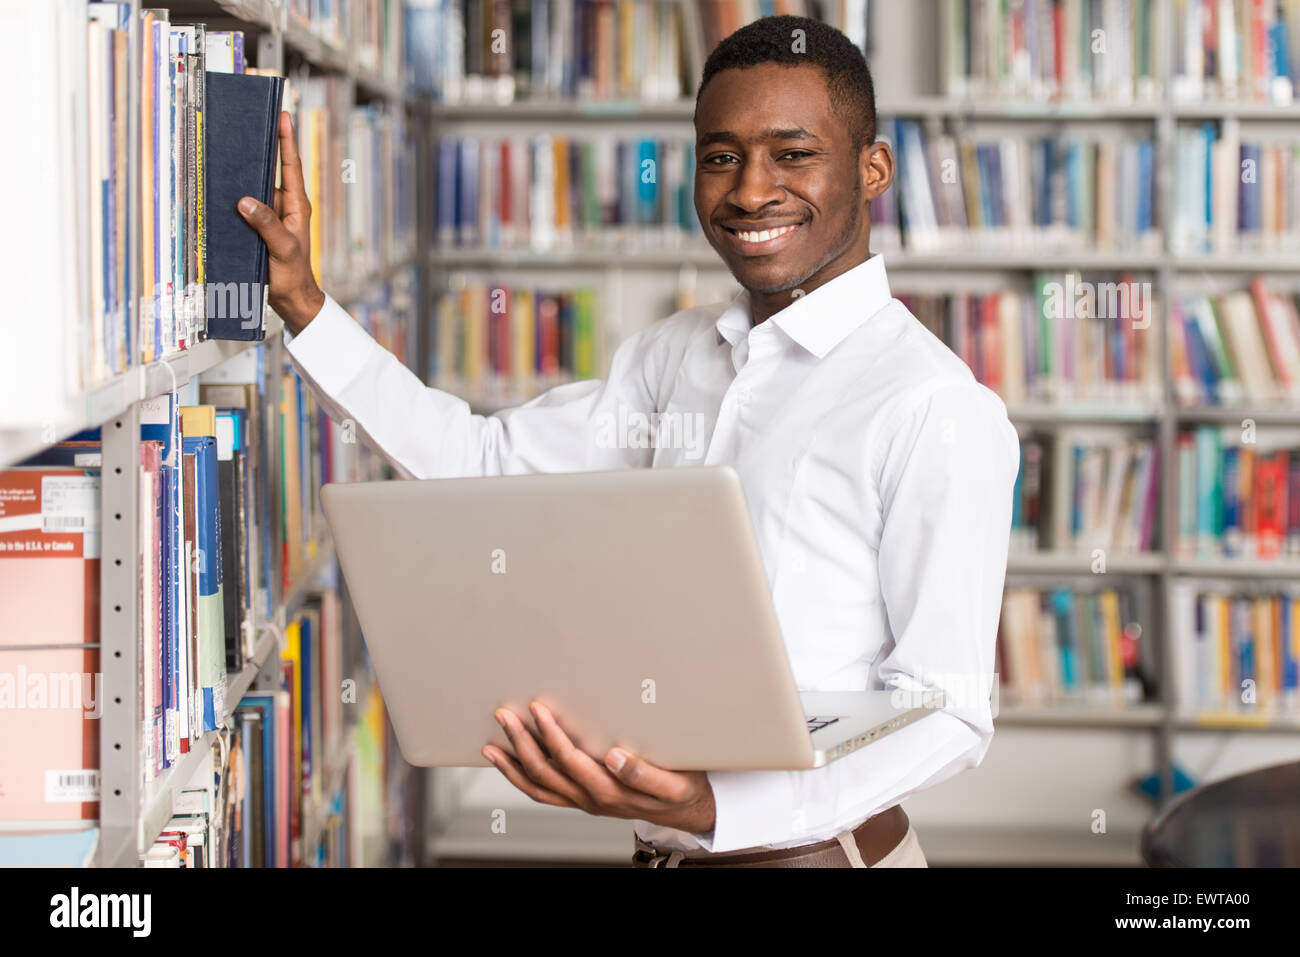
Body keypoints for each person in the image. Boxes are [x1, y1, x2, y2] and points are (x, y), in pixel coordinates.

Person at [237, 15, 1020, 868]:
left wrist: (718, 805)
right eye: (721, 156)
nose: (750, 190)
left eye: (793, 154)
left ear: (873, 169)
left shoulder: (933, 405)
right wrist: (306, 308)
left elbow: (947, 711)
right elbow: (484, 464)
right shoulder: (674, 354)